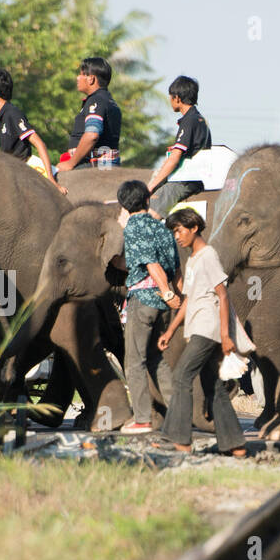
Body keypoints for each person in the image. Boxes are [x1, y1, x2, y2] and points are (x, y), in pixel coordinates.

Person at [157, 208, 247, 457]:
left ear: (194, 227)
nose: (177, 236)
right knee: (214, 386)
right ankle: (235, 444)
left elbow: (223, 294)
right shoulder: (194, 259)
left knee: (181, 376)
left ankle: (179, 440)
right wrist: (171, 331)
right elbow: (188, 300)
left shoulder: (208, 256)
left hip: (208, 329)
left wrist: (226, 335)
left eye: (179, 230)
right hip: (197, 327)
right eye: (174, 232)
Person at [117, 180, 181, 435]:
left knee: (133, 360)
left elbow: (150, 263)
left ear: (123, 204)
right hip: (162, 302)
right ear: (147, 199)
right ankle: (180, 413)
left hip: (144, 299)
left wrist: (165, 291)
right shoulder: (162, 227)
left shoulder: (134, 226)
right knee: (157, 360)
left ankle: (142, 419)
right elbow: (173, 266)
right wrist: (174, 294)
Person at [0, 68, 63, 187]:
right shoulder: (3, 116)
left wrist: (51, 179)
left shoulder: (12, 113)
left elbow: (40, 144)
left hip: (22, 174)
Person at [148, 75, 212, 213]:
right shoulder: (200, 120)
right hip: (197, 176)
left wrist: (152, 185)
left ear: (177, 98)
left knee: (147, 218)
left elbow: (175, 158)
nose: (170, 100)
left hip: (186, 180)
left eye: (170, 97)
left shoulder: (189, 121)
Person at [58, 56, 121, 172]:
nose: (78, 78)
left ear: (91, 79)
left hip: (92, 167)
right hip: (106, 165)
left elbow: (92, 134)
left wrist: (70, 163)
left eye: (81, 74)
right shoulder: (110, 101)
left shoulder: (96, 100)